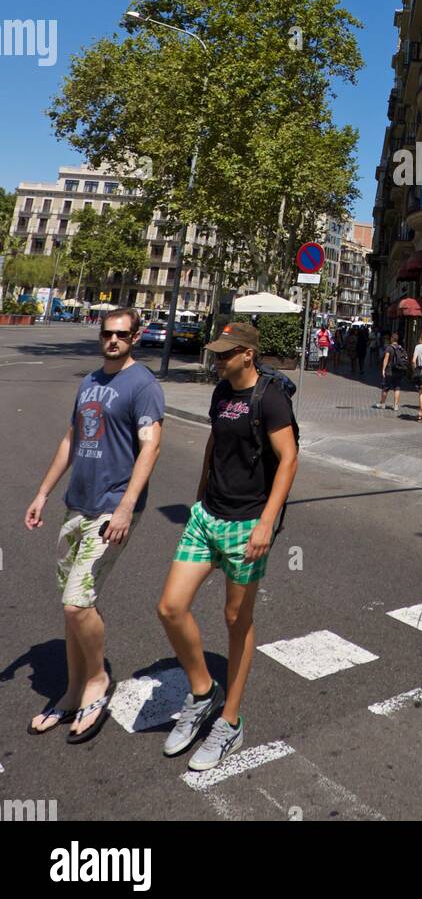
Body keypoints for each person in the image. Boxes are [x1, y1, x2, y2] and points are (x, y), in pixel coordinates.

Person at [157, 323, 299, 770]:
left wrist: (267, 522)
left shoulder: (271, 398)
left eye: (225, 353)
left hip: (246, 523)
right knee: (170, 607)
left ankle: (230, 721)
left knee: (236, 619)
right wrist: (199, 496)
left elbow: (290, 458)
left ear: (248, 355)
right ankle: (203, 692)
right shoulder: (222, 392)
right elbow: (214, 443)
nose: (217, 359)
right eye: (216, 353)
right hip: (207, 517)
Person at [24, 307, 164, 742]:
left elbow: (151, 447)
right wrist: (44, 492)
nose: (113, 341)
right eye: (107, 334)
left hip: (110, 509)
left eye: (122, 334)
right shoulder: (89, 383)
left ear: (136, 337)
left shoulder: (144, 385)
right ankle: (71, 691)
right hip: (77, 506)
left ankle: (98, 680)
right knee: (73, 605)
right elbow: (71, 439)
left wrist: (126, 506)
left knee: (76, 603)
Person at [374, 333, 407, 411]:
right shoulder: (400, 348)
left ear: (392, 339)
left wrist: (383, 369)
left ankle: (382, 404)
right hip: (399, 370)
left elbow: (386, 359)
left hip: (390, 371)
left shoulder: (389, 348)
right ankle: (395, 405)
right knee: (397, 388)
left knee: (385, 388)